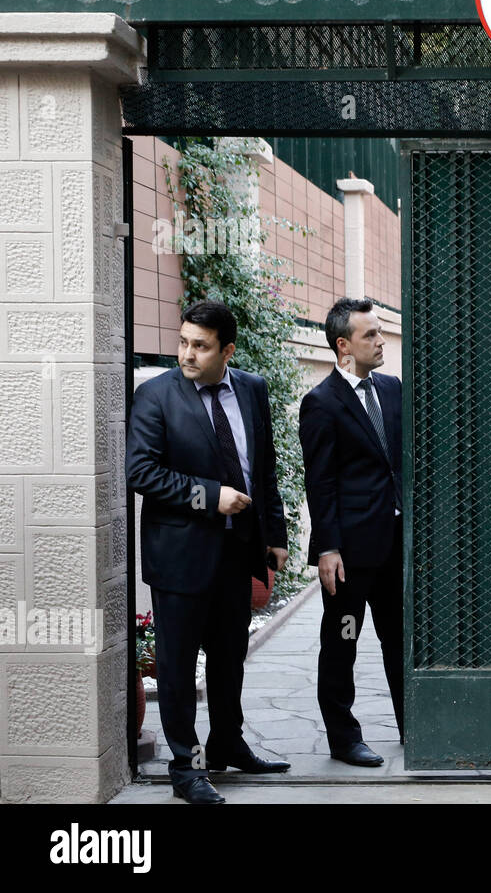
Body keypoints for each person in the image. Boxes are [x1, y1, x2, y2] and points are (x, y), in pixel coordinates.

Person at [126, 300, 292, 805]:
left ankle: (227, 743)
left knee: (229, 657)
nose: (187, 354)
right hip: (179, 556)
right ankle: (186, 767)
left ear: (228, 350)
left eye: (200, 346)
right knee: (177, 667)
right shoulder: (155, 396)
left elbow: (262, 467)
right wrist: (208, 495)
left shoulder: (252, 389)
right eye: (184, 342)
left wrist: (276, 532)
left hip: (237, 549)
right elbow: (142, 473)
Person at [299, 297, 404, 766]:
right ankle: (345, 739)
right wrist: (328, 548)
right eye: (370, 335)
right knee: (342, 642)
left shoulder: (393, 388)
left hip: (397, 545)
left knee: (401, 640)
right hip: (349, 552)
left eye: (380, 332)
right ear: (344, 346)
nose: (381, 341)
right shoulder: (320, 403)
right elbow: (319, 482)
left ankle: (414, 727)